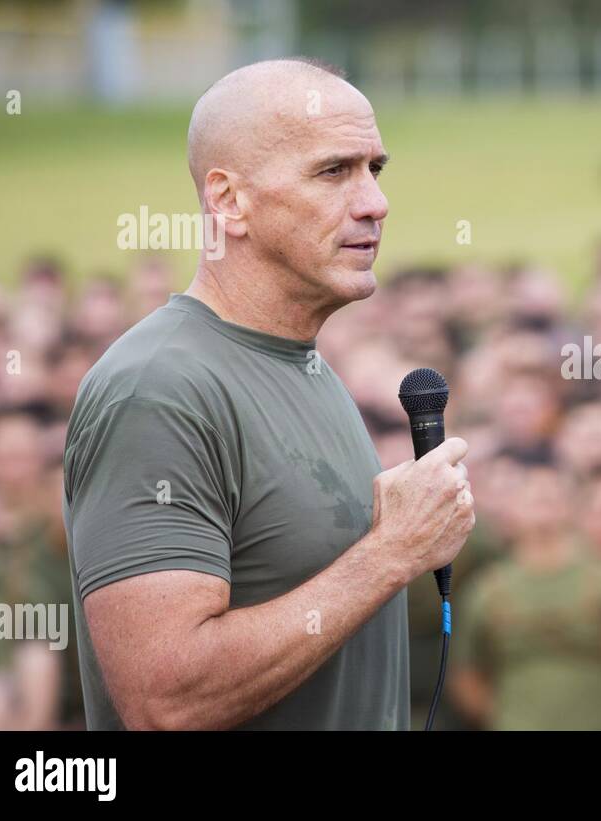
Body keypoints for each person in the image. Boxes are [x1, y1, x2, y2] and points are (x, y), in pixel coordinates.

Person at [62, 59, 475, 730]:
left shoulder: (307, 365)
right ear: (228, 200)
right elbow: (166, 701)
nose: (375, 202)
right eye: (334, 171)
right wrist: (389, 553)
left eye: (376, 169)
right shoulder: (159, 388)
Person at [450, 453, 601, 730]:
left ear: (575, 505)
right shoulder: (486, 591)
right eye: (530, 494)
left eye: (554, 493)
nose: (543, 501)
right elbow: (466, 676)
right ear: (509, 509)